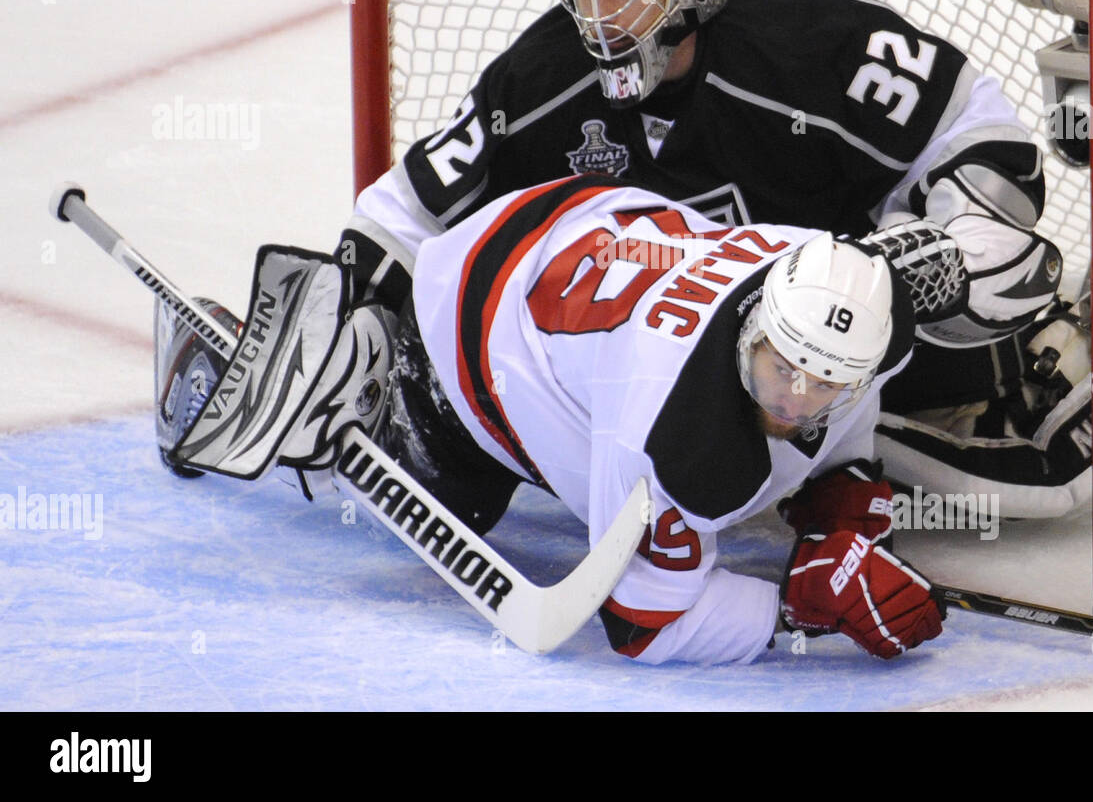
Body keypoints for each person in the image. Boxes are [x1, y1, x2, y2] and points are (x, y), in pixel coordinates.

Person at [337, 0, 1093, 521]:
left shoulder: (806, 46)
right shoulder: (541, 77)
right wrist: (343, 311)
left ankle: (1059, 342)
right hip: (691, 374)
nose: (600, 16)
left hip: (833, 351)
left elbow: (975, 125)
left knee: (1012, 491)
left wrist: (944, 248)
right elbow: (405, 211)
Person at [156, 175, 949, 664]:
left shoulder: (834, 294)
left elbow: (837, 390)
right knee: (455, 500)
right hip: (474, 325)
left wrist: (838, 513)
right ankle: (351, 379)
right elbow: (645, 630)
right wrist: (799, 610)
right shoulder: (674, 442)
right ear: (754, 330)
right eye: (783, 370)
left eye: (826, 384)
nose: (796, 402)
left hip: (583, 221)